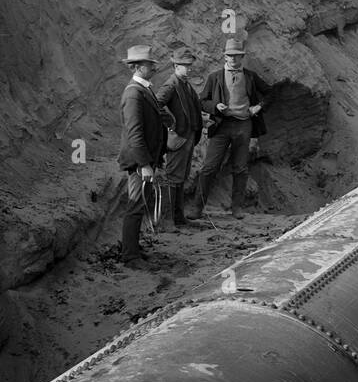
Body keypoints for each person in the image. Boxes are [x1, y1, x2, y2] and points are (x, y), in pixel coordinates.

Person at [186, 38, 270, 220]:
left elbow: (270, 93)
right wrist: (216, 107)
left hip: (244, 125)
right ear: (225, 57)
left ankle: (237, 208)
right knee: (209, 167)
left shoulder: (250, 76)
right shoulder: (214, 77)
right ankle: (197, 208)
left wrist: (259, 106)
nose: (233, 59)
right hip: (221, 126)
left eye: (236, 56)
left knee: (240, 168)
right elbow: (202, 101)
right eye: (230, 55)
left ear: (242, 57)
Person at [115, 45, 172, 264]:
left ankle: (133, 251)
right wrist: (145, 164)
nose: (154, 68)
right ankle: (130, 256)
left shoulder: (143, 89)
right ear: (137, 67)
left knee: (140, 206)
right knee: (135, 207)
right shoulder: (133, 93)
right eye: (150, 64)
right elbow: (134, 133)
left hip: (146, 159)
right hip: (139, 162)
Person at [155, 49, 204, 227]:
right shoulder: (171, 85)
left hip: (188, 136)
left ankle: (178, 217)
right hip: (179, 138)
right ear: (176, 66)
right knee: (173, 178)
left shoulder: (184, 84)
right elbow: (155, 105)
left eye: (190, 65)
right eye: (185, 66)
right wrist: (171, 124)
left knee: (180, 177)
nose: (189, 69)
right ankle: (168, 221)